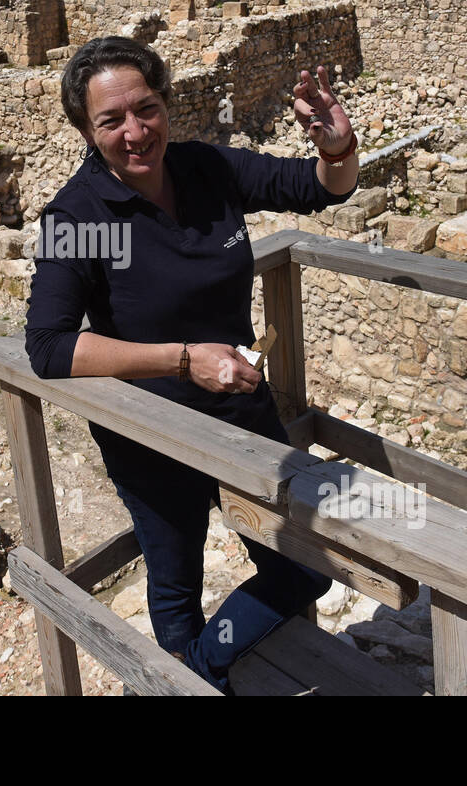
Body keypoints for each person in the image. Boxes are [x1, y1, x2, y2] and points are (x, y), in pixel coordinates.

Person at [24, 35, 361, 693]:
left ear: (165, 104)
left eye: (145, 109)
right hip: (152, 437)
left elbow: (319, 189)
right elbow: (49, 347)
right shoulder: (80, 214)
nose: (134, 132)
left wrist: (336, 147)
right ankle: (186, 674)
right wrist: (182, 361)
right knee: (175, 578)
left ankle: (204, 667)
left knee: (304, 565)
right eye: (110, 120)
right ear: (85, 131)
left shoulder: (204, 169)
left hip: (240, 415)